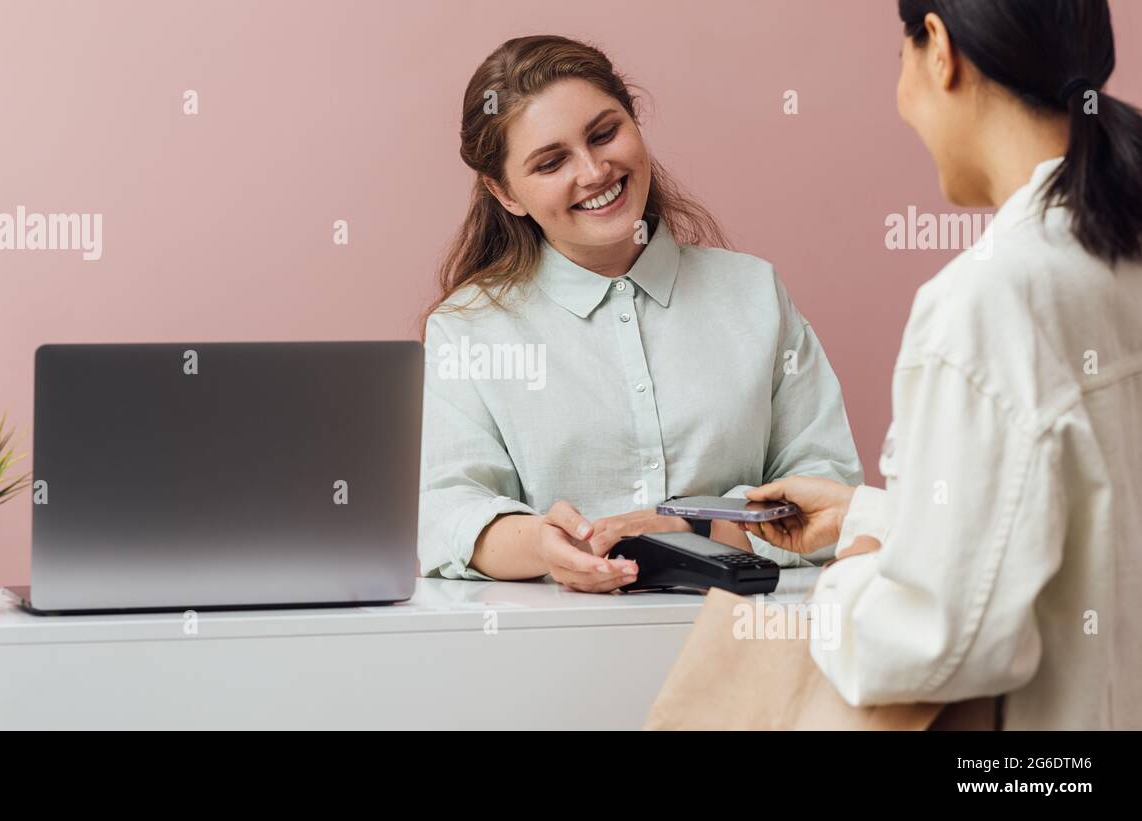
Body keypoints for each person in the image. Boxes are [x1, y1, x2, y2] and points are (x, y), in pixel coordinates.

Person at [740, 0, 1142, 729]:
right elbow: (1087, 519)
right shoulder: (1115, 252)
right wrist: (867, 511)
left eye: (900, 58)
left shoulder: (990, 298)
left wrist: (853, 568)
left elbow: (933, 642)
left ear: (938, 47)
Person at [417, 35, 862, 592]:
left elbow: (827, 484)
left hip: (742, 636)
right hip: (547, 650)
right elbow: (447, 509)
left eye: (604, 133)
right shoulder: (466, 328)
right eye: (552, 162)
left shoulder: (754, 293)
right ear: (504, 192)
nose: (594, 170)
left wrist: (685, 528)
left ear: (635, 121)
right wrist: (542, 545)